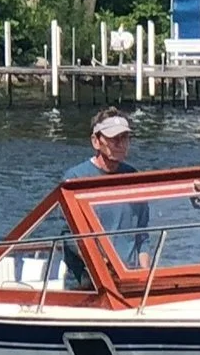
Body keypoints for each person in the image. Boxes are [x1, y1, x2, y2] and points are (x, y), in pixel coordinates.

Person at [58, 108, 150, 288]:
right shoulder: (76, 178)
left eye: (125, 138)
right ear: (96, 141)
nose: (120, 144)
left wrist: (146, 278)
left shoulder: (134, 178)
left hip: (127, 280)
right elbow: (70, 236)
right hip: (88, 283)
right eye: (114, 138)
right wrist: (101, 266)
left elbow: (142, 236)